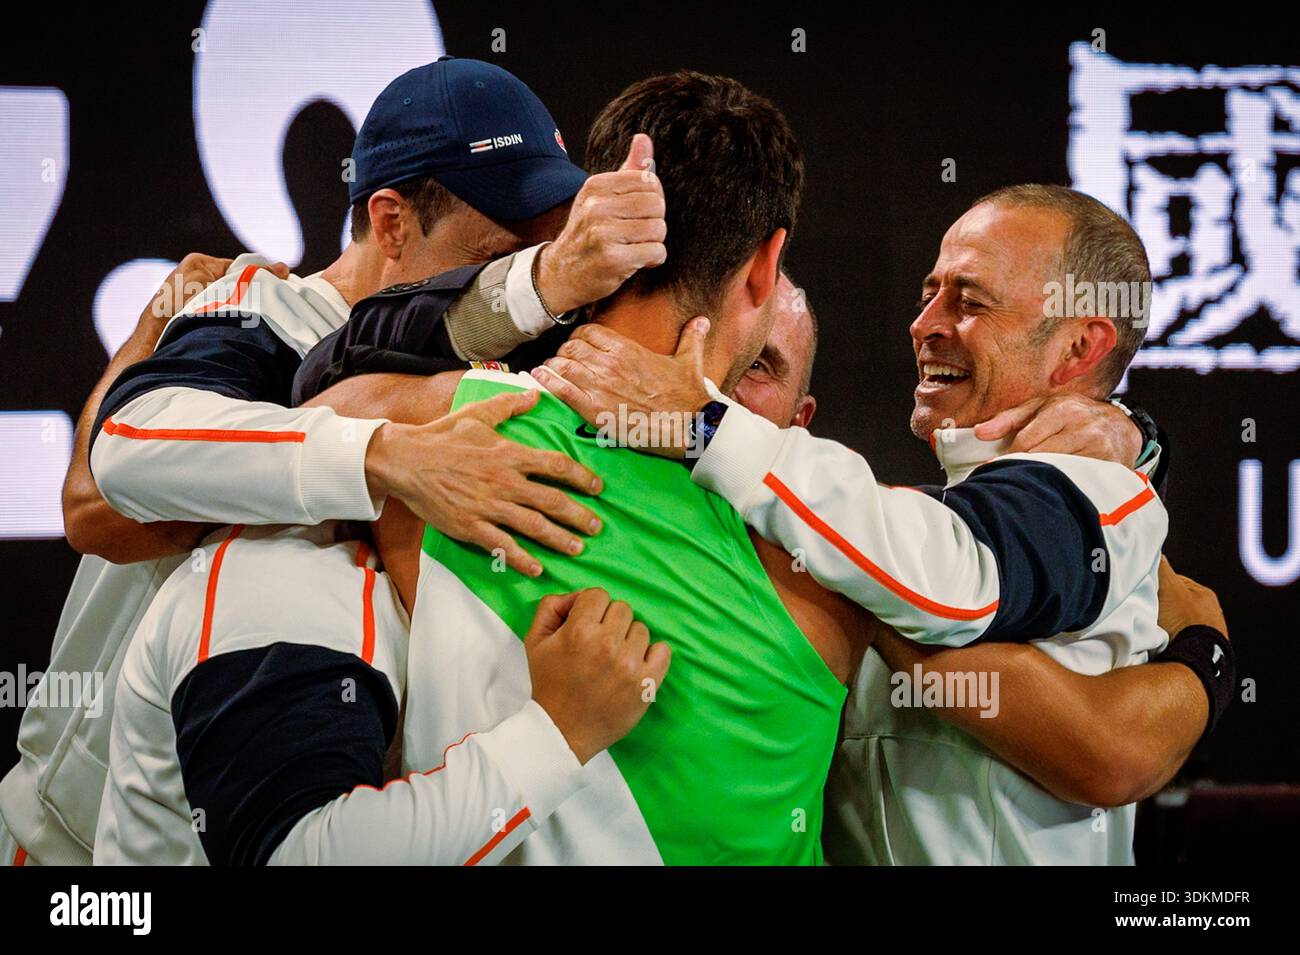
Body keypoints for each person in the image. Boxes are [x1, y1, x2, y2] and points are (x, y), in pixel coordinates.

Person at [0, 56, 663, 866]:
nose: (527, 274)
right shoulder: (259, 306)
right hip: (82, 837)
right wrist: (386, 452)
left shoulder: (508, 348)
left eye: (549, 245)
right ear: (390, 222)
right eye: (503, 249)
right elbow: (124, 457)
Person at [535, 183, 1235, 864]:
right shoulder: (867, 524)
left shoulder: (1091, 494)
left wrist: (705, 426)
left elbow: (961, 587)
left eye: (970, 300)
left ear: (1082, 346)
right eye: (928, 292)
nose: (925, 323)